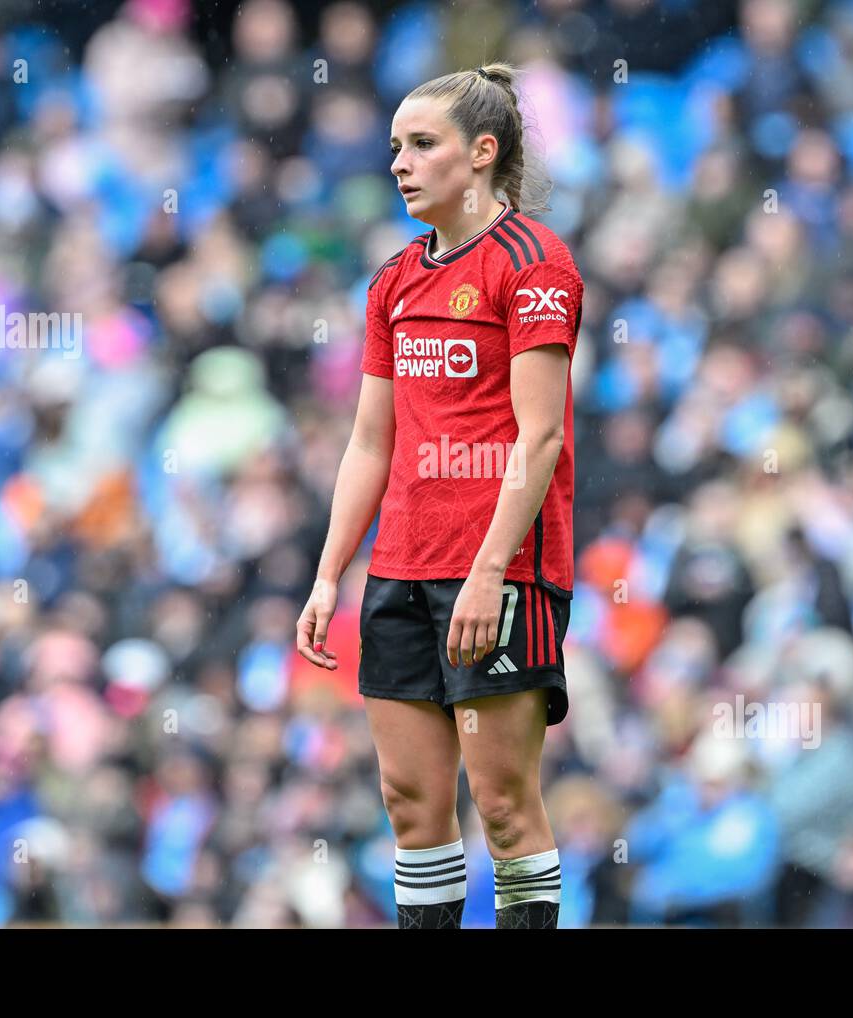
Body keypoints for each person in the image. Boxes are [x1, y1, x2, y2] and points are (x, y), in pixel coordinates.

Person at [296, 63, 584, 929]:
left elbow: (541, 439)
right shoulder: (392, 280)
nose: (399, 164)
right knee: (411, 807)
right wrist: (327, 576)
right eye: (394, 148)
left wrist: (491, 570)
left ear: (482, 152)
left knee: (501, 807)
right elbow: (370, 442)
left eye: (422, 145)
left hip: (501, 575)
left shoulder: (535, 264)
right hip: (400, 570)